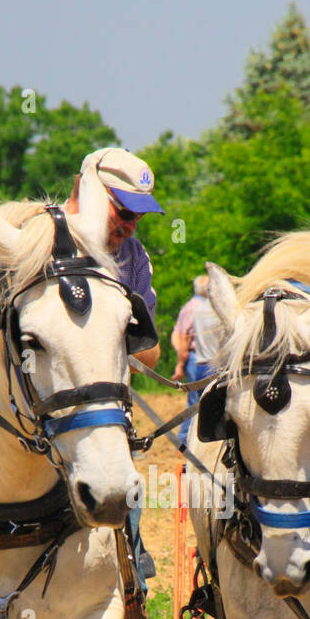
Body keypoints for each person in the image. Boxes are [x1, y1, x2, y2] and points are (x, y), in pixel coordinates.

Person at [63, 147, 164, 583]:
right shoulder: (37, 237)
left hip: (107, 427)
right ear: (86, 190)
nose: (128, 225)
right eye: (122, 211)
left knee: (125, 534)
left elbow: (149, 356)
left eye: (137, 217)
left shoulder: (134, 259)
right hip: (39, 425)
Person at [170, 275, 207, 448]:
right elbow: (185, 337)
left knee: (194, 399)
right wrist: (181, 361)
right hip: (197, 356)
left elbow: (176, 334)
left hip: (190, 356)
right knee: (197, 400)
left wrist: (180, 358)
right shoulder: (201, 308)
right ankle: (185, 438)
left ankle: (186, 437)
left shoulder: (188, 306)